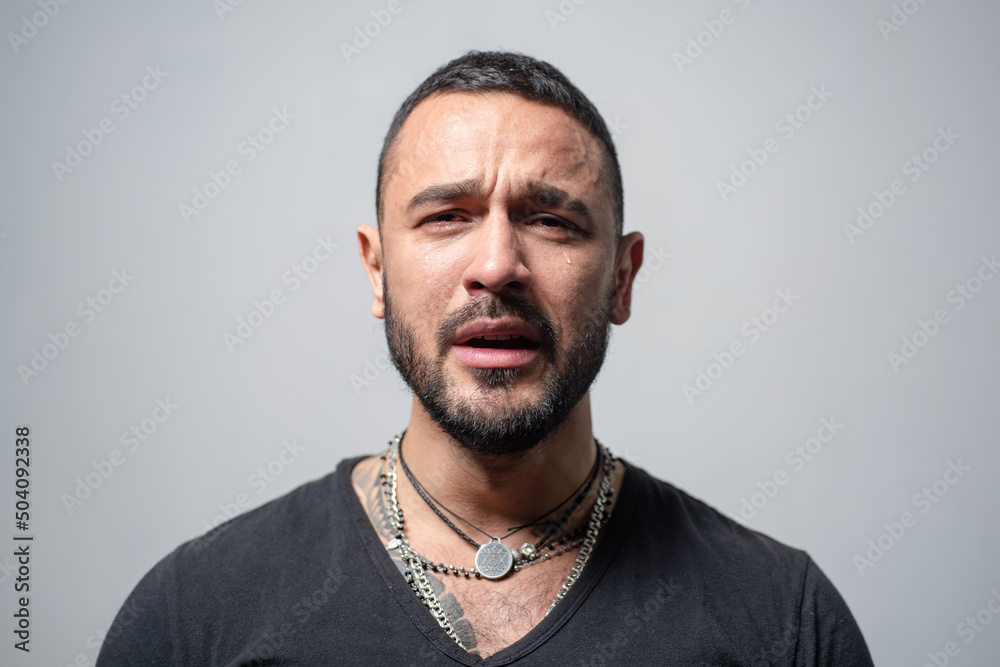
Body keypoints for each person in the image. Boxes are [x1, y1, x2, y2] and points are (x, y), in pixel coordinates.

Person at [97, 50, 874, 665]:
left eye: (551, 220)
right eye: (447, 215)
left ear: (623, 278)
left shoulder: (784, 619)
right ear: (377, 269)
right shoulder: (195, 613)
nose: (497, 264)